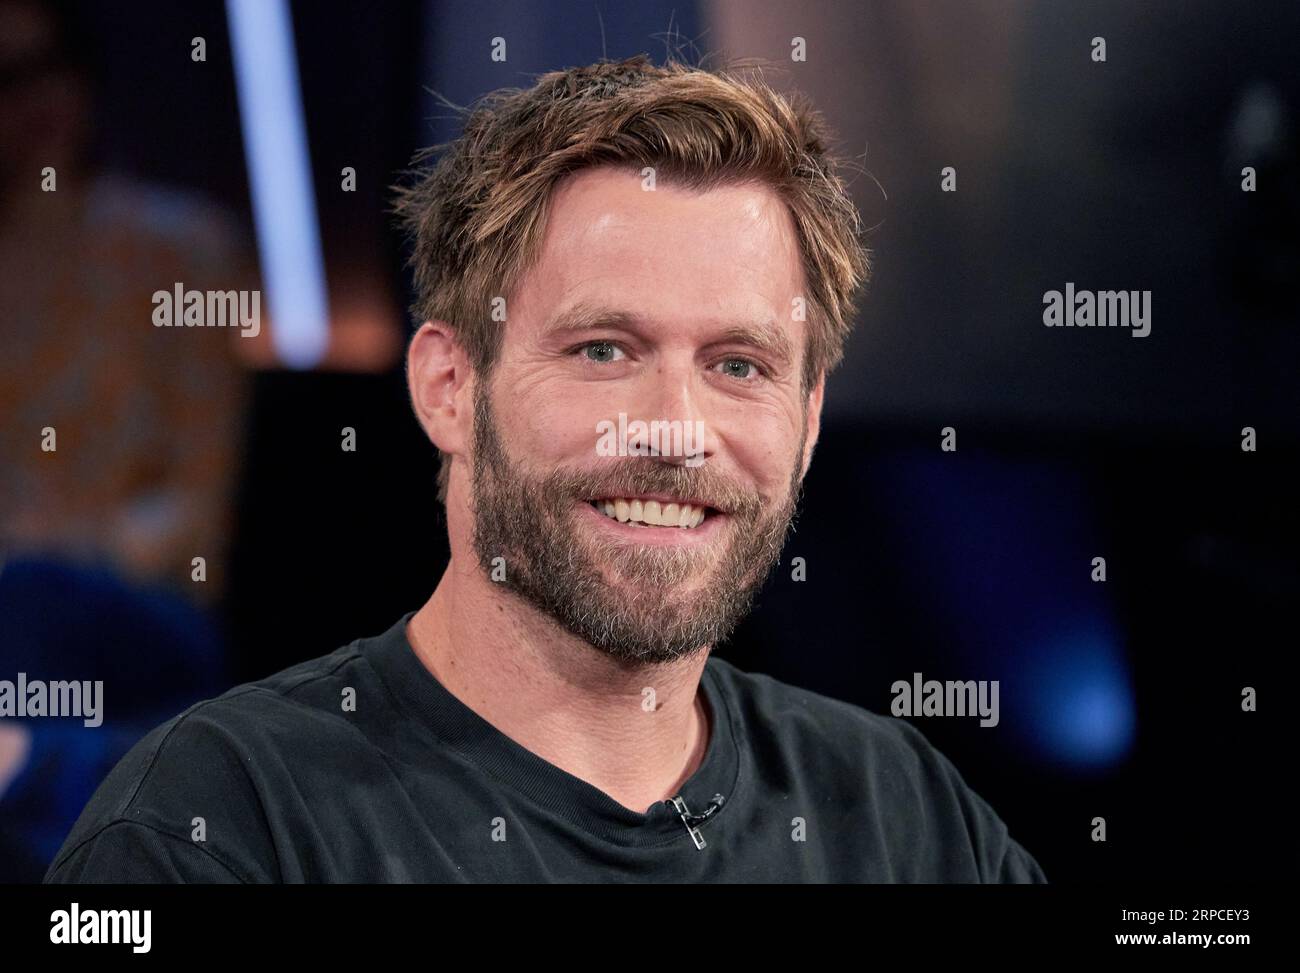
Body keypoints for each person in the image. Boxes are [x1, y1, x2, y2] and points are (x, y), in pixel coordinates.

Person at [45, 55, 1045, 883]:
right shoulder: (216, 828)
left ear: (810, 417)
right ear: (447, 386)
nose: (674, 430)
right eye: (603, 349)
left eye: (738, 365)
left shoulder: (901, 814)